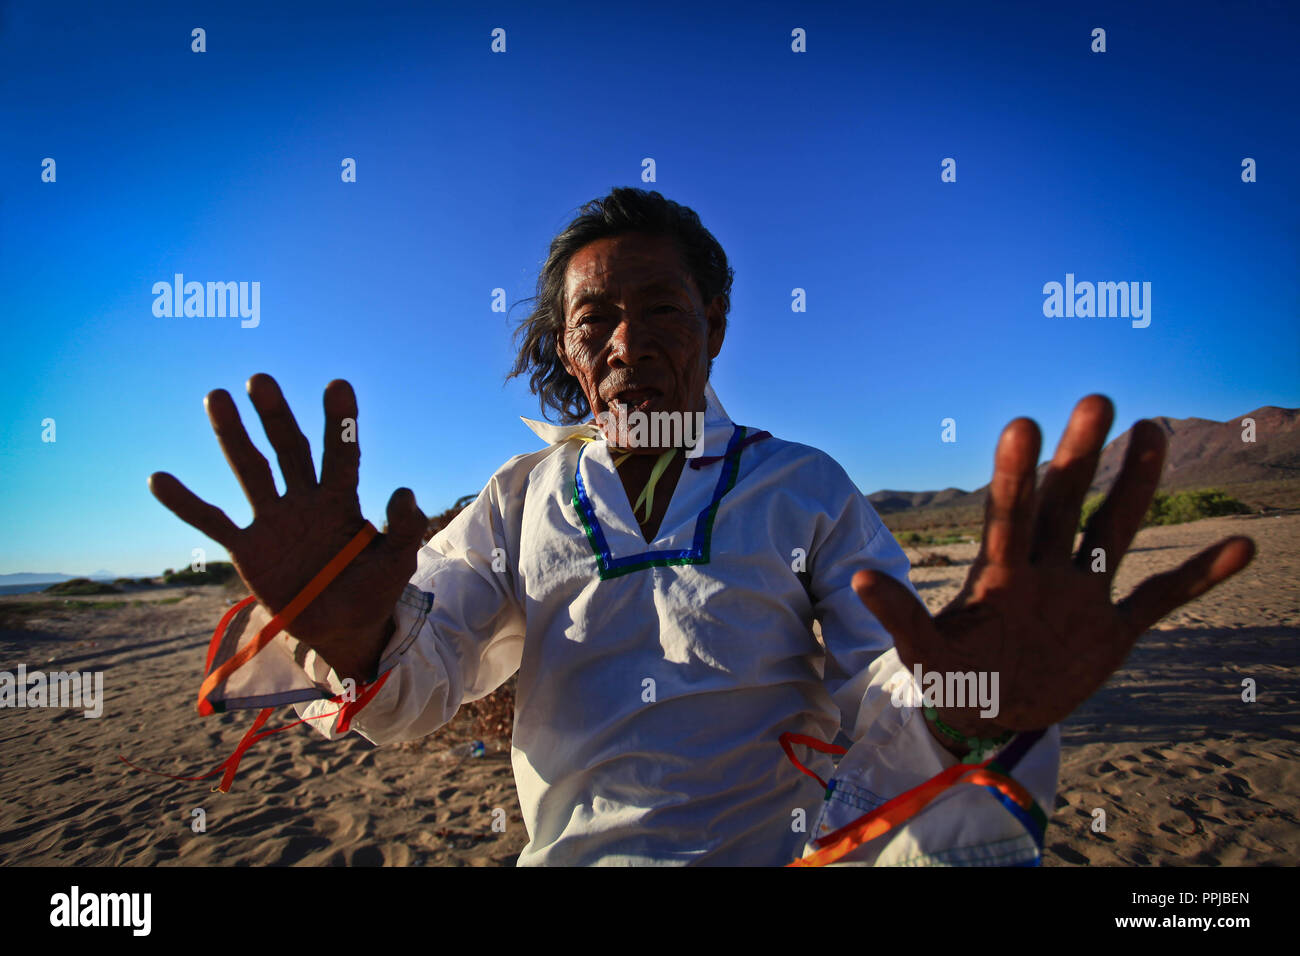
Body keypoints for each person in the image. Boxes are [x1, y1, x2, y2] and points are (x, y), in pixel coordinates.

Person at [149, 187, 1255, 865]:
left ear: (714, 327)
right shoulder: (518, 498)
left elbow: (884, 681)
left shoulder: (803, 487)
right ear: (570, 353)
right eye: (597, 320)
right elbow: (427, 671)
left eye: (662, 309)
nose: (629, 340)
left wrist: (973, 704)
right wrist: (356, 635)